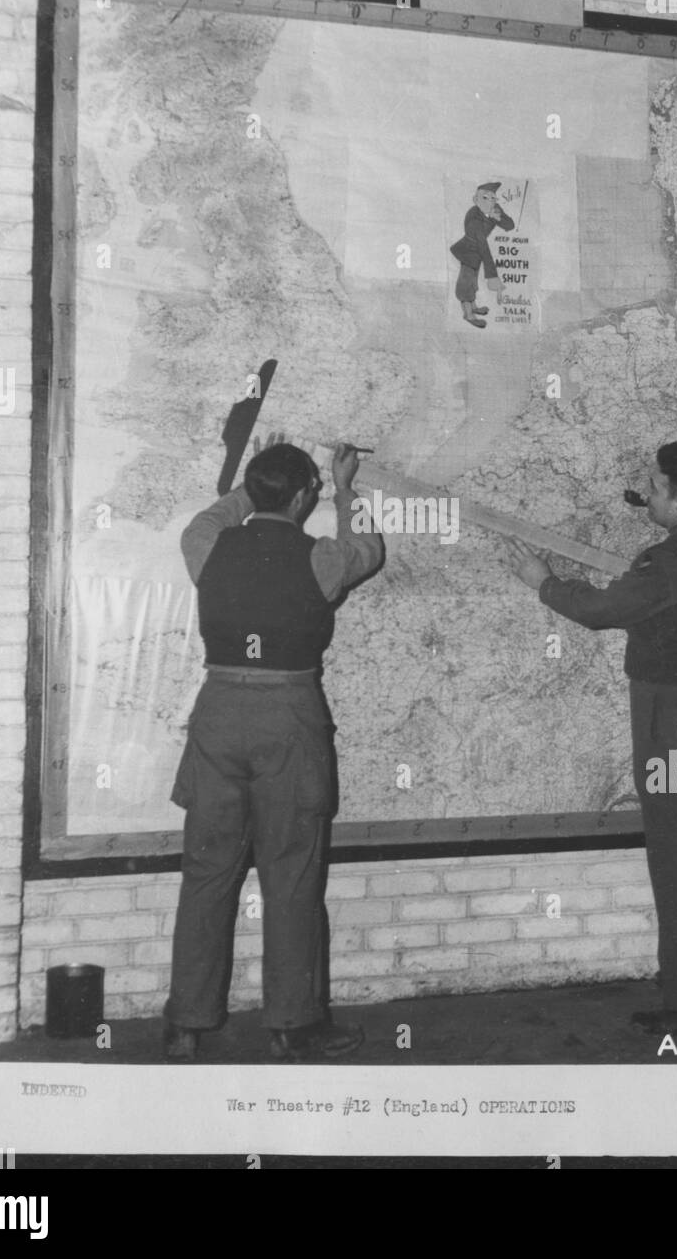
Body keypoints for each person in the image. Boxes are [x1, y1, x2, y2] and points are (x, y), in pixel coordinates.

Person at [506, 443, 677, 1036]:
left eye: (655, 490)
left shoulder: (669, 560)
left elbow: (601, 611)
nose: (648, 496)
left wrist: (545, 582)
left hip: (676, 727)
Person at [163, 440, 384, 1062]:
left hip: (218, 715)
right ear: (301, 497)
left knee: (207, 872)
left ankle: (185, 1024)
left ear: (255, 493)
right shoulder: (322, 558)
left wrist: (253, 482)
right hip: (288, 718)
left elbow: (213, 516)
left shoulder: (207, 544)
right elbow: (369, 547)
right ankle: (293, 1027)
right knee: (291, 875)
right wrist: (344, 489)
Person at [449, 181, 515, 328]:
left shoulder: (495, 209)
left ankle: (474, 307)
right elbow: (483, 247)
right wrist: (493, 276)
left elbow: (510, 226)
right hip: (468, 250)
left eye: (493, 198)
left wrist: (499, 218)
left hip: (478, 251)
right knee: (466, 282)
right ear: (476, 200)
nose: (490, 201)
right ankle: (468, 314)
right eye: (485, 198)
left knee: (473, 280)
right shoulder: (473, 217)